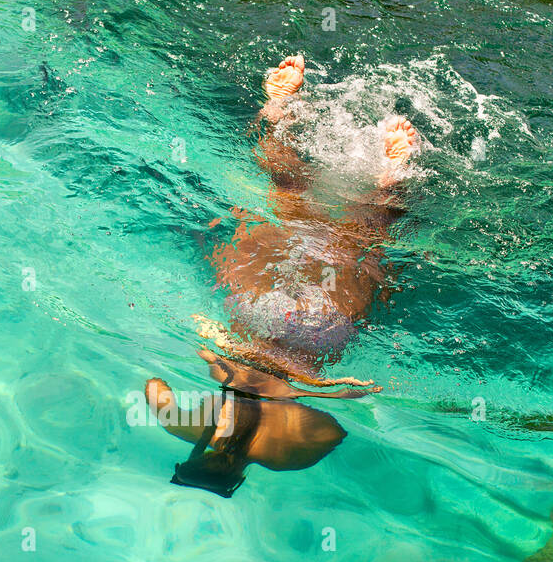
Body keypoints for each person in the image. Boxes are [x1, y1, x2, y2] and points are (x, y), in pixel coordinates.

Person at [145, 55, 421, 495]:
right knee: (288, 208)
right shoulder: (189, 426)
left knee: (364, 239)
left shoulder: (284, 451)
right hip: (257, 316)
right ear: (194, 459)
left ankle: (390, 175)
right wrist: (213, 351)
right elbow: (154, 388)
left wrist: (326, 390)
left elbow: (334, 427)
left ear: (237, 476)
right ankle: (279, 114)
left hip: (315, 339)